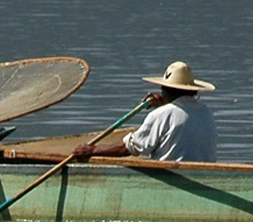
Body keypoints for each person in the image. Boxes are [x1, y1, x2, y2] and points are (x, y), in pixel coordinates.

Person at [72, 61, 217, 162]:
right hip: (204, 174)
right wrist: (164, 104)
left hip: (173, 176)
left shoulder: (160, 114)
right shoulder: (207, 113)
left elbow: (129, 148)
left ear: (165, 90)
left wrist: (91, 151)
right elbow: (178, 116)